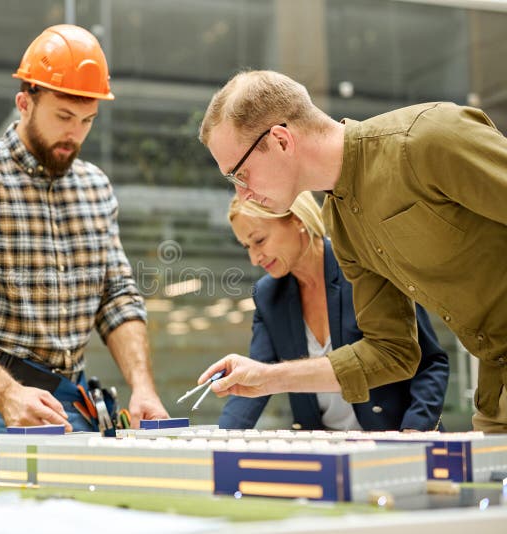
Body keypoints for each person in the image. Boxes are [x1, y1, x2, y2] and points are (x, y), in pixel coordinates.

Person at [196, 69, 507, 433]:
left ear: (281, 140)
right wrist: (269, 378)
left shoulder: (426, 139)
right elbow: (392, 352)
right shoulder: (343, 226)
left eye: (240, 174)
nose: (242, 193)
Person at [0, 24, 168, 455]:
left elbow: (117, 297)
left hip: (74, 401)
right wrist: (7, 394)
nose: (75, 134)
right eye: (64, 117)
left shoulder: (96, 188)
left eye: (87, 120)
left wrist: (142, 387)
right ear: (24, 103)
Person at [219, 192, 449, 431]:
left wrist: (415, 431)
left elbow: (431, 363)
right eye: (247, 247)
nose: (254, 258)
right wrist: (215, 445)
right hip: (328, 452)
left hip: (400, 441)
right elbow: (255, 380)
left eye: (259, 241)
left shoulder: (363, 267)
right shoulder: (268, 296)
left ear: (296, 219)